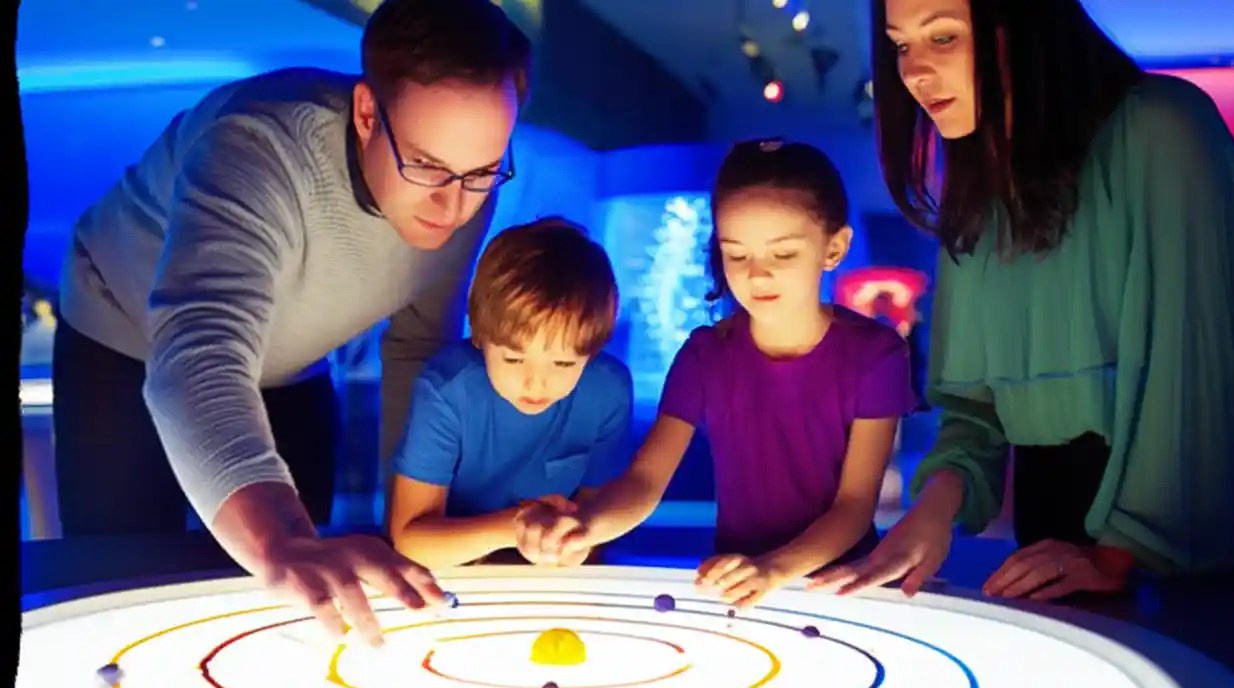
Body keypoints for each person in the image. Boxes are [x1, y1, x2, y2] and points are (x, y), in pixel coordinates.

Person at [51, 0, 530, 644]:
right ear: (367, 114)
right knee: (121, 585)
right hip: (124, 337)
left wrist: (418, 521)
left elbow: (419, 345)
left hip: (296, 366)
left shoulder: (469, 189)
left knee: (308, 604)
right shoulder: (257, 144)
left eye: (480, 172)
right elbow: (199, 352)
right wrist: (276, 537)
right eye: (427, 165)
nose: (453, 205)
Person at [810, 0, 1234, 603]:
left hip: (1177, 554)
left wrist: (1120, 554)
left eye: (943, 37)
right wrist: (931, 515)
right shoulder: (978, 188)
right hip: (1047, 541)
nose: (914, 71)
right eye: (901, 46)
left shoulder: (1165, 125)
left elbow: (1199, 374)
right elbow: (974, 410)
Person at [514, 140, 918, 608]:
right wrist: (586, 527)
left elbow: (854, 505)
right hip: (733, 586)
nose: (758, 275)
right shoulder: (706, 355)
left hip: (842, 590)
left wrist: (774, 569)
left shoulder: (877, 355)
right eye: (737, 254)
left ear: (835, 247)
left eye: (782, 255)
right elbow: (646, 480)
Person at [386, 217, 633, 568]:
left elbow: (596, 524)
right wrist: (517, 527)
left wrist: (576, 543)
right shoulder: (448, 390)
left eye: (563, 364)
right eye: (514, 358)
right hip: (453, 571)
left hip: (548, 575)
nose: (535, 382)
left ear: (591, 353)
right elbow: (412, 541)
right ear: (480, 335)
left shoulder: (608, 392)